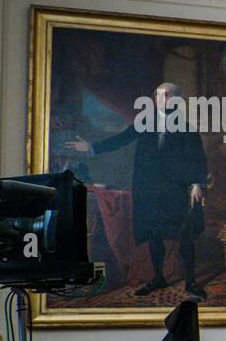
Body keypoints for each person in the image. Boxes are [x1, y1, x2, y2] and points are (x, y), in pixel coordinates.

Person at [67, 82, 209, 299]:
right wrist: (91, 148)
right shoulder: (145, 122)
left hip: (176, 190)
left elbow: (197, 157)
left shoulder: (187, 127)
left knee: (184, 236)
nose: (163, 98)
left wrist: (198, 184)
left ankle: (191, 281)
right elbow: (121, 140)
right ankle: (158, 277)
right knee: (154, 234)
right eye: (160, 95)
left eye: (168, 95)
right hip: (149, 189)